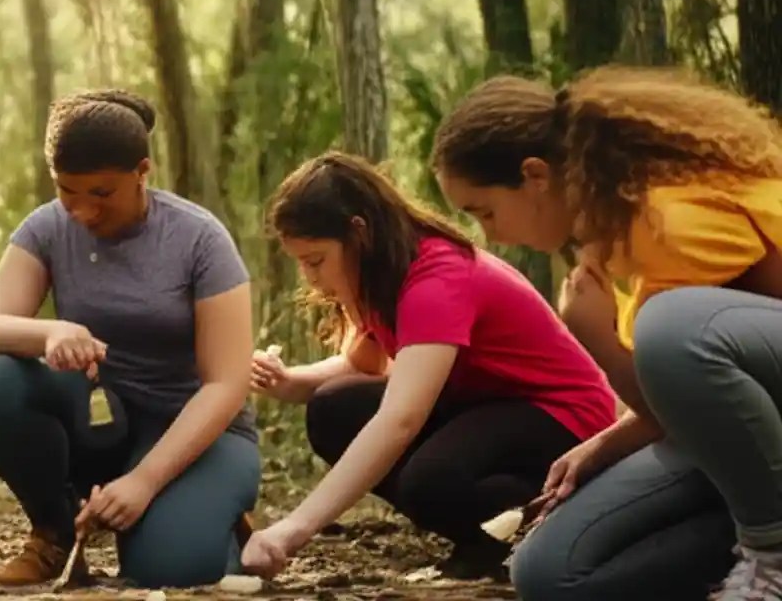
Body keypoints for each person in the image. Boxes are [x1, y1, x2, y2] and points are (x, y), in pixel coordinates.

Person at [431, 66, 782, 600]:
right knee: (548, 572)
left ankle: (771, 557)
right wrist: (603, 445)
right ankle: (745, 559)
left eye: (486, 212)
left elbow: (689, 359)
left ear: (535, 176)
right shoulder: (616, 234)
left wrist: (598, 340)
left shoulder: (664, 219)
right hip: (755, 438)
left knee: (671, 327)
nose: (491, 236)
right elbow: (698, 402)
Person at [240, 152, 616, 582]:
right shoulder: (380, 275)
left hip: (562, 415)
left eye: (316, 260)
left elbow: (402, 418)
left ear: (359, 233)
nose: (309, 277)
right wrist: (290, 381)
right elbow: (363, 365)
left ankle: (546, 524)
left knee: (430, 480)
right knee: (334, 408)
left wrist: (292, 529)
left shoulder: (435, 278)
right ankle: (479, 528)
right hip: (486, 406)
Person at [0, 89, 259, 589]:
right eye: (67, 191)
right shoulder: (46, 228)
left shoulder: (199, 239)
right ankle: (54, 531)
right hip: (103, 420)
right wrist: (52, 330)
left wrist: (144, 481)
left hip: (194, 430)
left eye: (101, 194)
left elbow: (226, 385)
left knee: (168, 570)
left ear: (143, 171)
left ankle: (216, 519)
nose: (82, 210)